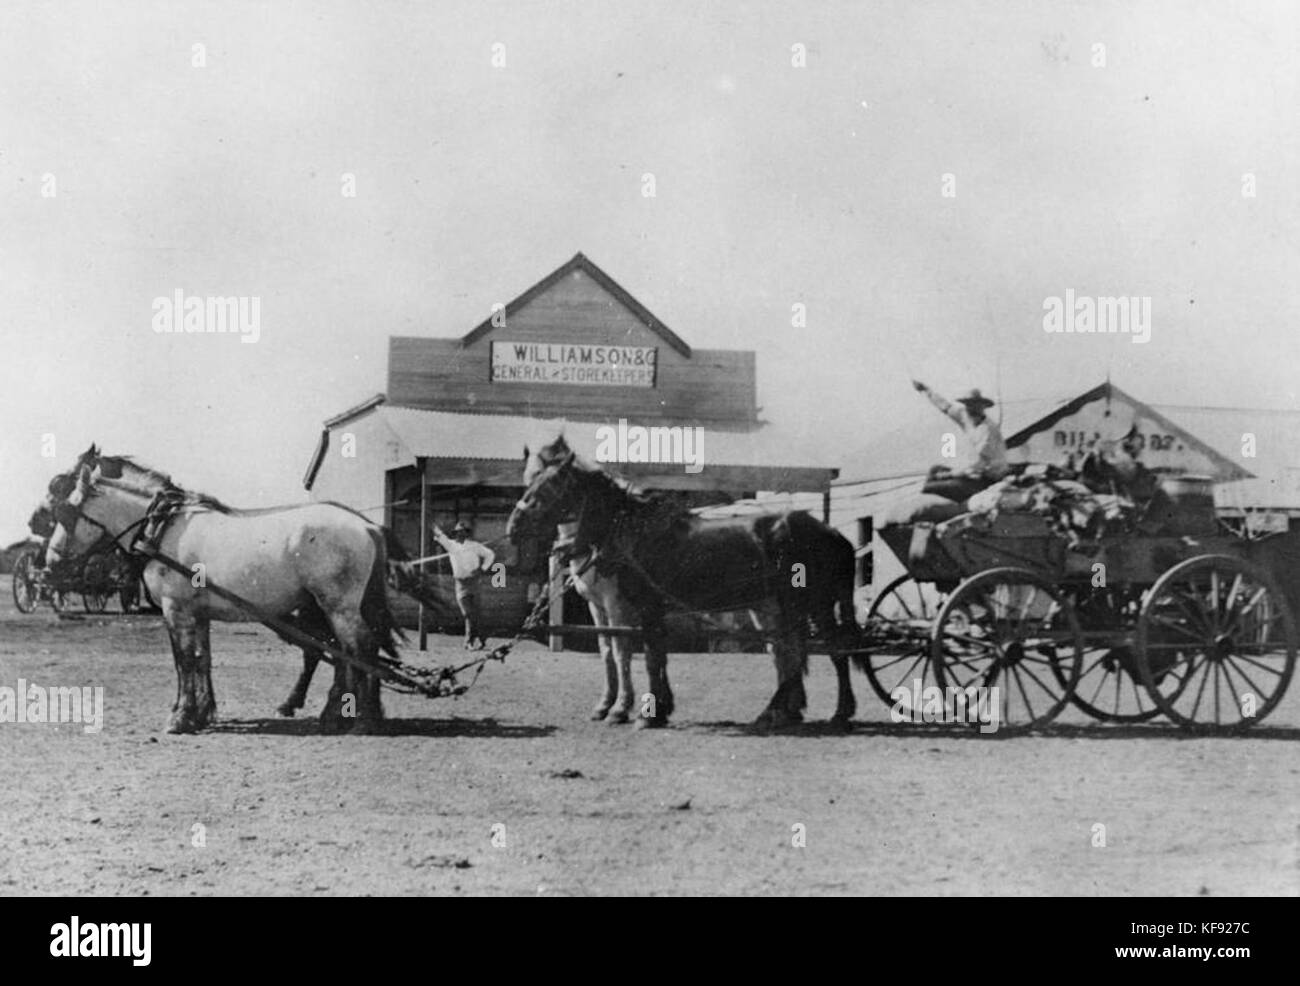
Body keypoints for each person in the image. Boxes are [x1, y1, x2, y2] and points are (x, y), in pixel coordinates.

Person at [912, 380, 1009, 502]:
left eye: (975, 405)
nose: (971, 408)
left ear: (983, 407)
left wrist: (951, 474)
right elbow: (945, 407)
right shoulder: (965, 416)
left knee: (931, 487)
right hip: (973, 474)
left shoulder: (988, 431)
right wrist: (925, 390)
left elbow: (978, 464)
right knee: (935, 470)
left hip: (988, 479)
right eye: (968, 404)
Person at [432, 520, 495, 650]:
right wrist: (432, 523)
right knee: (468, 613)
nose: (460, 535)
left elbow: (490, 554)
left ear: (467, 533)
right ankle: (471, 641)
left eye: (463, 532)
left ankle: (478, 640)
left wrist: (482, 568)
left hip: (474, 582)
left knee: (476, 613)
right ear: (455, 534)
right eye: (458, 532)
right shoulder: (451, 545)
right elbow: (439, 534)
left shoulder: (475, 546)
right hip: (460, 584)